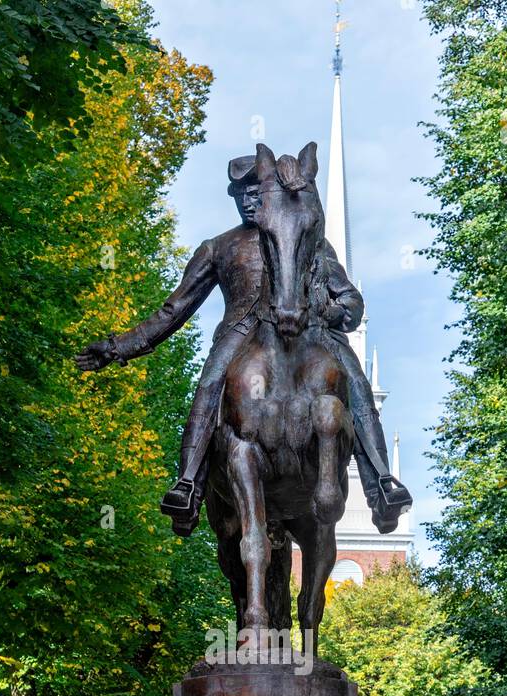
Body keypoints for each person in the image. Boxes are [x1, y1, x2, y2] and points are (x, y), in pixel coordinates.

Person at [76, 154, 412, 537]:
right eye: (241, 194)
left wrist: (332, 312)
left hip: (307, 331)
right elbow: (173, 310)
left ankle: (381, 485)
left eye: (257, 192)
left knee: (354, 379)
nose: (249, 201)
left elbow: (350, 299)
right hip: (239, 336)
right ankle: (188, 484)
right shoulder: (217, 248)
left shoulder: (305, 237)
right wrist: (118, 347)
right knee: (210, 385)